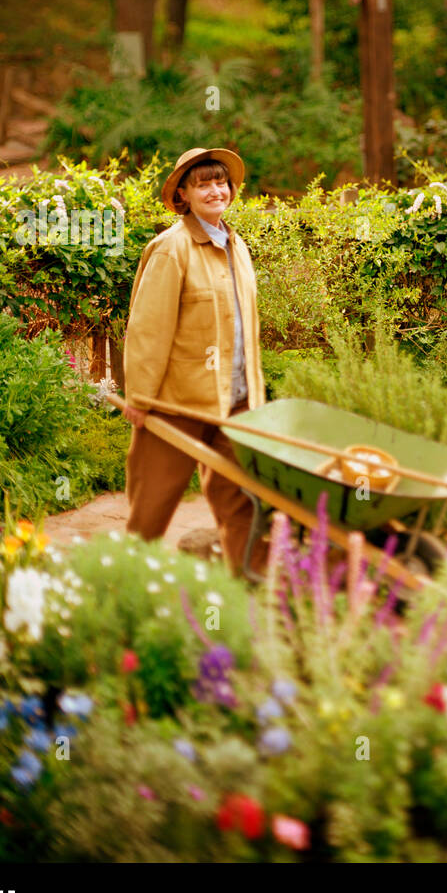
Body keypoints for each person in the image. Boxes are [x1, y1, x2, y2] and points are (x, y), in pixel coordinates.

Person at [121, 147, 266, 575]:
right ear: (184, 194)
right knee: (150, 510)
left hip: (233, 402)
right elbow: (148, 329)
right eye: (203, 183)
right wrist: (141, 399)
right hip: (177, 405)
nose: (215, 190)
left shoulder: (236, 246)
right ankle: (124, 593)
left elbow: (246, 329)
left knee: (240, 502)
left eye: (220, 182)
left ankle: (248, 591)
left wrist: (253, 396)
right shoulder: (172, 249)